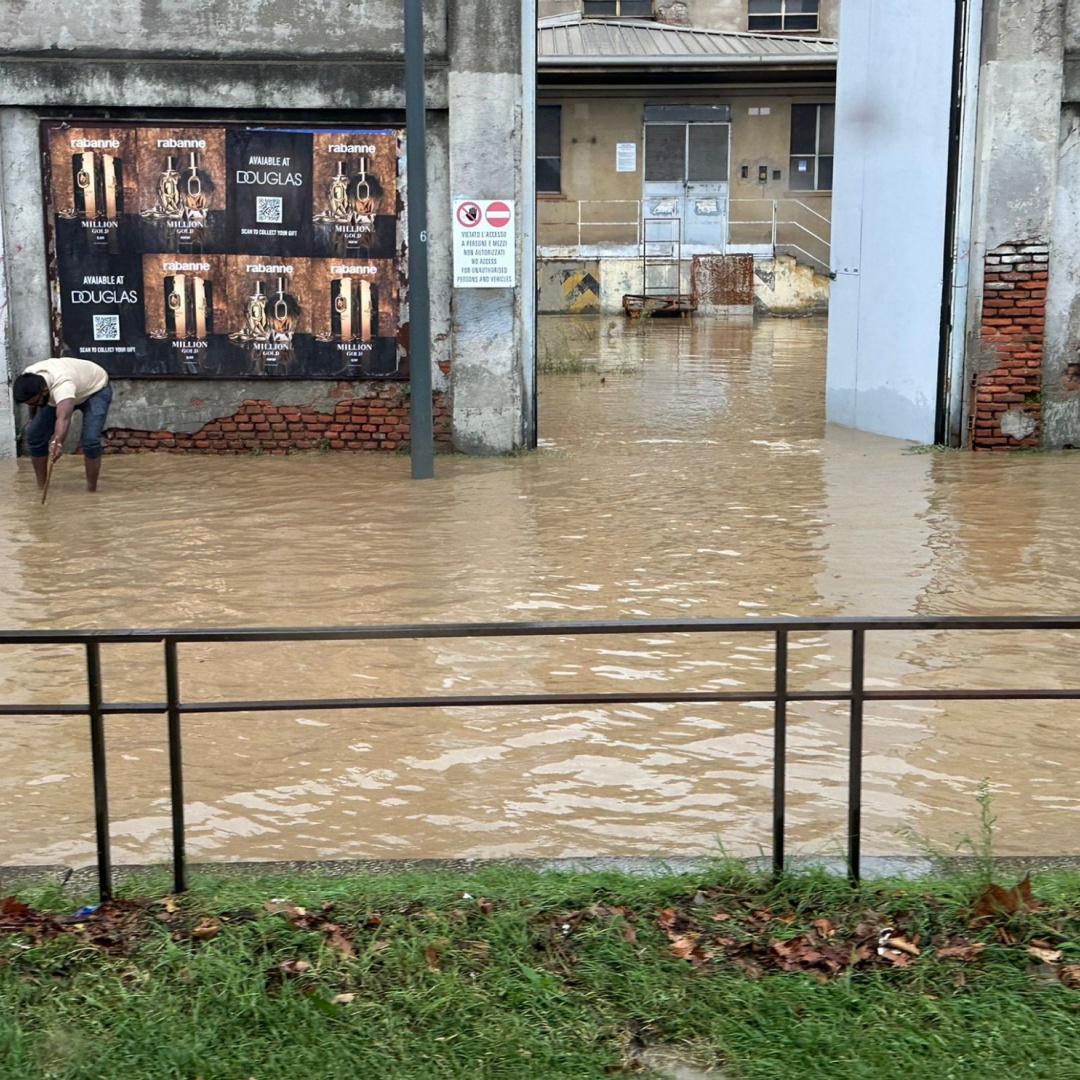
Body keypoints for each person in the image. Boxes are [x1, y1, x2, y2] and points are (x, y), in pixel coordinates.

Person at [12, 356, 113, 493]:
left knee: (90, 441)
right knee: (34, 436)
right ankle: (42, 488)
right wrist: (33, 420)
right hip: (64, 390)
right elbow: (34, 403)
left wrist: (57, 442)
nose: (32, 405)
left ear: (45, 391)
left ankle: (91, 491)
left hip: (95, 390)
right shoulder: (30, 378)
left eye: (34, 402)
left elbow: (63, 418)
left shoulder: (63, 386)